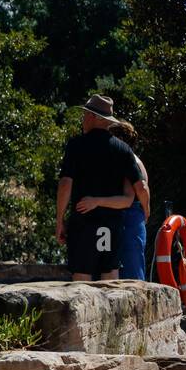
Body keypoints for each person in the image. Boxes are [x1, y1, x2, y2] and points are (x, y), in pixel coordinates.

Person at [56, 95, 145, 281]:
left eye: (86, 114)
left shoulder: (76, 146)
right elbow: (139, 188)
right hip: (112, 226)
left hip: (84, 224)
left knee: (82, 278)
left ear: (95, 117)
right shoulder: (123, 150)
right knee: (110, 277)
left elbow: (65, 185)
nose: (84, 118)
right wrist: (147, 210)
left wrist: (60, 220)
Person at [108, 120, 150, 280]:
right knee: (130, 266)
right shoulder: (134, 159)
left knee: (131, 271)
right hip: (134, 217)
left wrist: (145, 211)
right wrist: (146, 210)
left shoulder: (128, 160)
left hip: (129, 218)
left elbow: (141, 188)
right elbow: (145, 189)